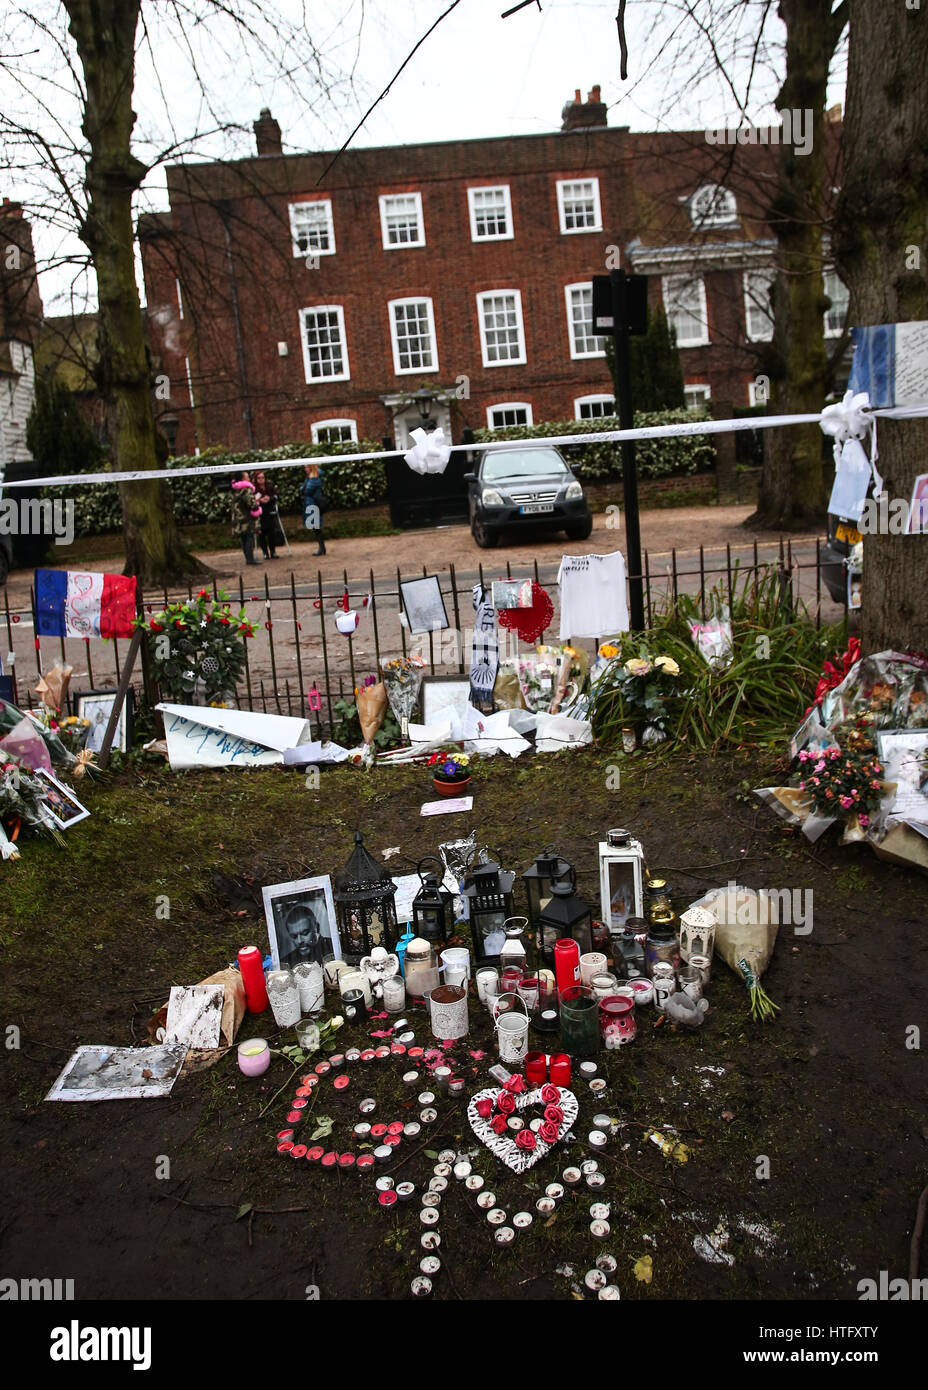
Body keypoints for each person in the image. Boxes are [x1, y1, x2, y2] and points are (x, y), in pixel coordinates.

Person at [231, 472, 261, 565]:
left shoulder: (235, 489)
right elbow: (251, 504)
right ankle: (250, 559)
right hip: (246, 517)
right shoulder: (246, 489)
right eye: (247, 477)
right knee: (248, 537)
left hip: (237, 516)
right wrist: (256, 502)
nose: (249, 479)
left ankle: (248, 557)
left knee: (244, 538)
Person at [253, 470, 282, 559]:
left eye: (263, 478)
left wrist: (270, 498)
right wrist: (259, 500)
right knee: (261, 533)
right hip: (260, 513)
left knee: (271, 533)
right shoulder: (254, 488)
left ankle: (273, 551)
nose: (261, 480)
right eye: (259, 478)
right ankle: (265, 553)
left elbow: (277, 496)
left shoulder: (269, 486)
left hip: (270, 512)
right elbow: (252, 500)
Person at [301, 463, 326, 556]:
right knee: (316, 527)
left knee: (317, 527)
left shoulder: (314, 479)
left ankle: (321, 548)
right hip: (311, 504)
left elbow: (306, 490)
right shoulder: (310, 478)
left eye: (306, 467)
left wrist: (303, 488)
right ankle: (322, 548)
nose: (305, 469)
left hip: (313, 504)